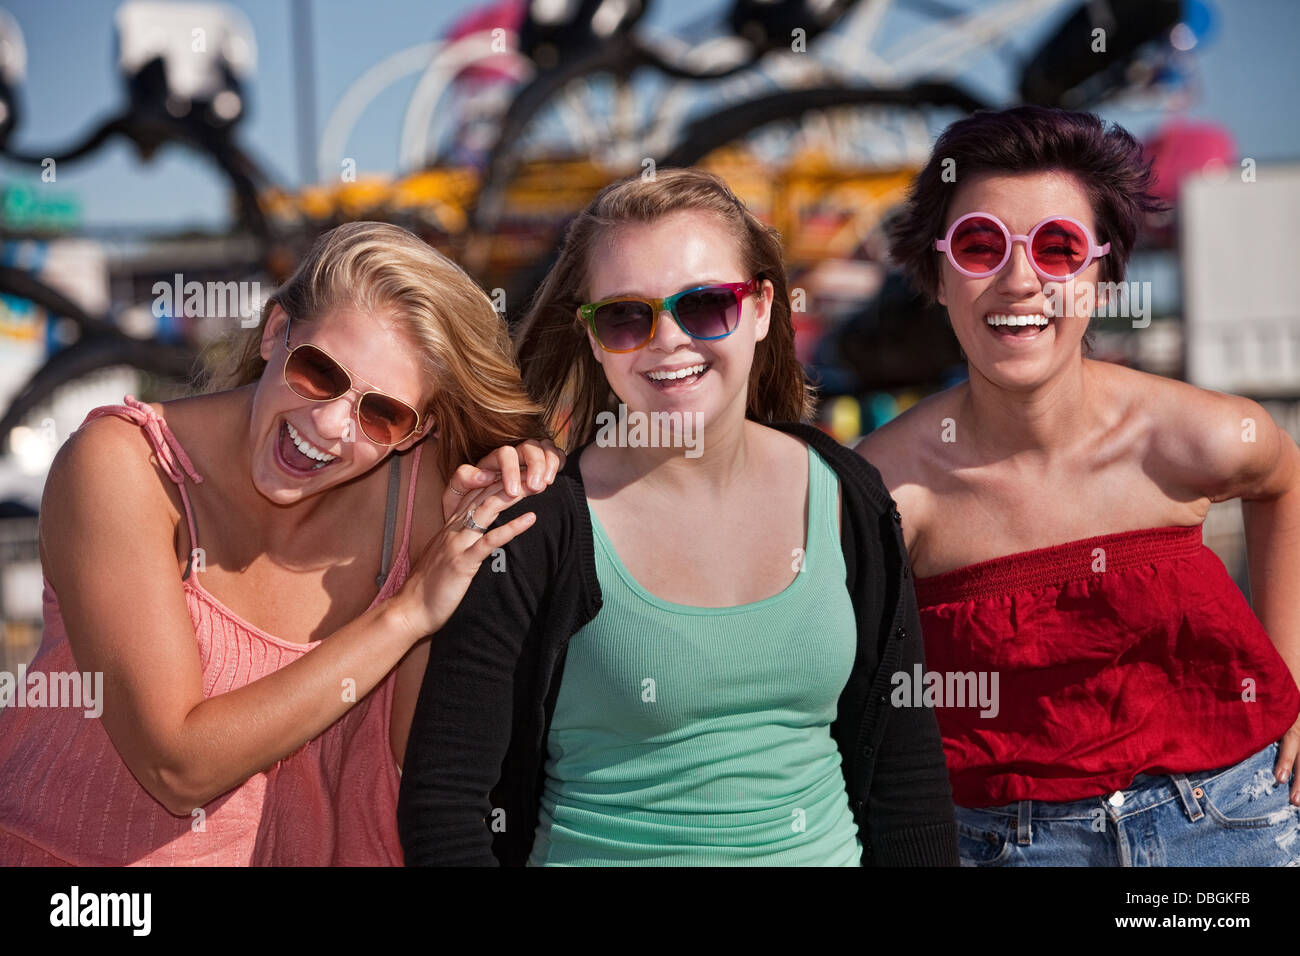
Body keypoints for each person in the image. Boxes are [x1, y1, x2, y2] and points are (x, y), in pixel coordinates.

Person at [397, 168, 958, 866]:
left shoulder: (849, 496)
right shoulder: (537, 526)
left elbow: (907, 777)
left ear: (760, 309)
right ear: (595, 338)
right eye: (627, 316)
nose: (667, 340)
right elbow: (445, 806)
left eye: (704, 307)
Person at [0, 221, 562, 865]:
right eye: (319, 372)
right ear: (274, 334)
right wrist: (404, 614)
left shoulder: (427, 497)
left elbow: (415, 766)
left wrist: (529, 471)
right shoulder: (124, 467)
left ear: (415, 431)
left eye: (380, 413)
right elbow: (177, 769)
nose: (328, 424)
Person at [856, 105, 1300, 866]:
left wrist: (1293, 680)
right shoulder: (884, 492)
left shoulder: (1195, 438)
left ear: (1103, 272)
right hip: (1002, 846)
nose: (1019, 279)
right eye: (979, 245)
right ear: (935, 274)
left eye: (1058, 248)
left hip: (1232, 827)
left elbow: (1283, 482)